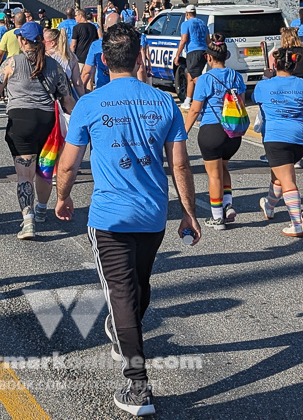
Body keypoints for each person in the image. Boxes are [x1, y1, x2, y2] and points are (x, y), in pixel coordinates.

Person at [54, 23, 200, 417]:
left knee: (121, 293)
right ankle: (125, 335)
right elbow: (180, 163)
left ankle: (137, 385)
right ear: (141, 58)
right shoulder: (165, 103)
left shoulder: (89, 103)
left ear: (103, 61)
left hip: (109, 218)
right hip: (153, 215)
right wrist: (188, 212)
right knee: (138, 286)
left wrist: (63, 198)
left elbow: (67, 164)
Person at [0, 21, 76, 239]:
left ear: (22, 40)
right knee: (44, 170)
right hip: (47, 121)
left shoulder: (11, 63)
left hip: (20, 121)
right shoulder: (55, 66)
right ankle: (42, 209)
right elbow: (67, 98)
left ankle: (28, 221)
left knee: (24, 174)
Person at [185, 34, 247, 230]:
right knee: (223, 168)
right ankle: (228, 204)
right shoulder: (236, 76)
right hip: (232, 132)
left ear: (208, 57)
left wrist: (184, 131)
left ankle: (217, 217)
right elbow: (242, 103)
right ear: (226, 56)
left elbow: (195, 109)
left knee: (213, 174)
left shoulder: (204, 79)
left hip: (212, 131)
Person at [256, 46, 303, 237]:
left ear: (274, 64)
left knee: (287, 179)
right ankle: (269, 206)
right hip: (301, 137)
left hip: (276, 136)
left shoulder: (264, 85)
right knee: (279, 174)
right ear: (295, 63)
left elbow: (259, 102)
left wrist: (267, 78)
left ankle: (297, 224)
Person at [174, 5, 209, 110]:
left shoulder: (186, 24)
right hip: (204, 51)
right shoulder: (203, 23)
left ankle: (206, 98)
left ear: (187, 14)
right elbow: (208, 40)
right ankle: (188, 100)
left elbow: (184, 40)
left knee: (195, 77)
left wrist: (177, 55)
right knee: (190, 75)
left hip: (193, 51)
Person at [45, 26, 86, 98]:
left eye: (43, 40)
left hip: (47, 95)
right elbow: (77, 83)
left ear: (52, 43)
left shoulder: (46, 56)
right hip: (66, 95)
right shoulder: (71, 57)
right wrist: (83, 98)